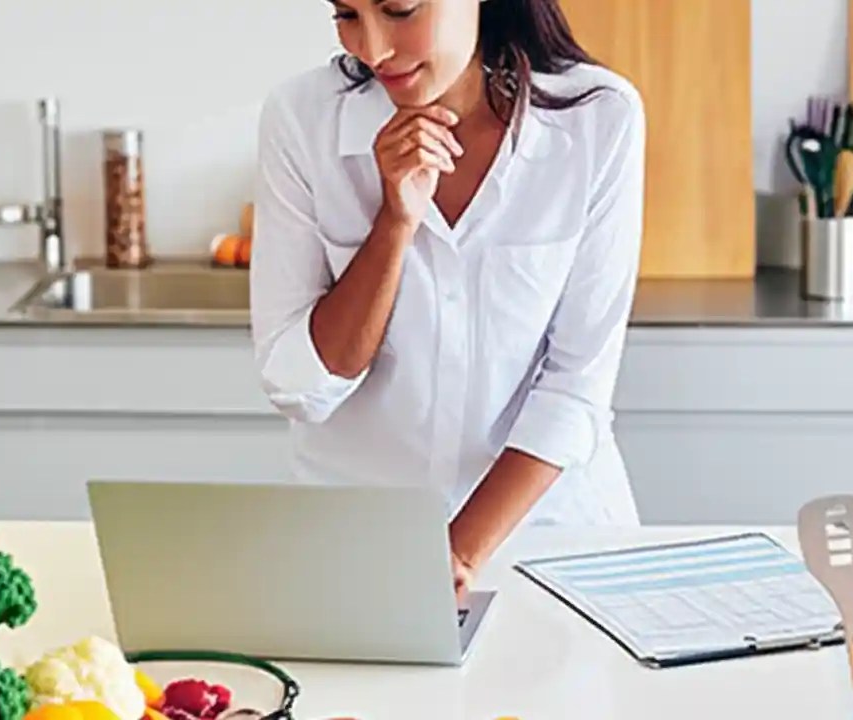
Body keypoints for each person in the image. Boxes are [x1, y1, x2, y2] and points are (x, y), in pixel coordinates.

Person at [248, 0, 646, 599]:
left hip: (550, 546)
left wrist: (454, 554)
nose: (373, 48)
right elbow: (298, 384)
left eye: (400, 10)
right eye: (346, 15)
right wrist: (395, 221)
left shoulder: (597, 118)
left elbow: (575, 387)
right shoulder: (303, 119)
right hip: (358, 548)